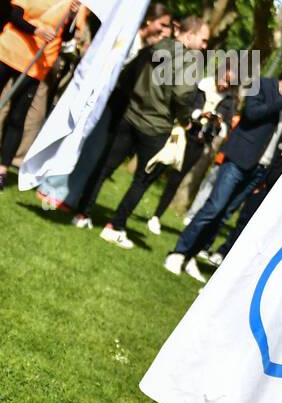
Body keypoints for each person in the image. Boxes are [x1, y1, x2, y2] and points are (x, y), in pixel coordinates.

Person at [164, 58, 282, 281]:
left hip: (259, 169)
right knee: (214, 208)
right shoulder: (261, 84)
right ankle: (178, 252)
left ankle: (192, 255)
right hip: (239, 159)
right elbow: (251, 113)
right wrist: (281, 100)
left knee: (223, 216)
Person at [80, 15, 209, 248]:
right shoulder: (191, 60)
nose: (205, 46)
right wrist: (185, 118)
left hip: (131, 115)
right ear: (190, 35)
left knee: (106, 166)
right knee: (142, 179)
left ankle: (83, 213)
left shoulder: (156, 46)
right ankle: (115, 226)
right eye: (203, 39)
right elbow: (181, 94)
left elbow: (133, 74)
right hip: (156, 126)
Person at [57, 4, 173, 218]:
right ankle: (55, 190)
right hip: (101, 97)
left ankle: (70, 196)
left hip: (118, 105)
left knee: (94, 152)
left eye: (168, 27)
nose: (165, 31)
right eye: (162, 24)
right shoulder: (129, 38)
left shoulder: (154, 51)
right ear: (149, 20)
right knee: (79, 141)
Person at [0, 0, 90, 190]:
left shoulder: (76, 2)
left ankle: (2, 169)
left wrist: (71, 17)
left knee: (18, 117)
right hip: (8, 51)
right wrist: (35, 31)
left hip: (37, 64)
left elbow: (70, 35)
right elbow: (15, 15)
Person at [209, 93, 282, 263]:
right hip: (260, 177)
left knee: (253, 224)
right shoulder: (281, 124)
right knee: (237, 214)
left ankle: (231, 257)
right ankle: (220, 250)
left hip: (275, 186)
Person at [145, 55, 241, 235]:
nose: (226, 85)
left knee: (176, 179)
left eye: (230, 83)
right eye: (225, 79)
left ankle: (156, 216)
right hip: (182, 133)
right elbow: (187, 108)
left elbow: (225, 129)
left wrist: (219, 124)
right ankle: (134, 200)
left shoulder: (229, 101)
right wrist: (201, 115)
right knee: (158, 168)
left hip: (199, 143)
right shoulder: (202, 86)